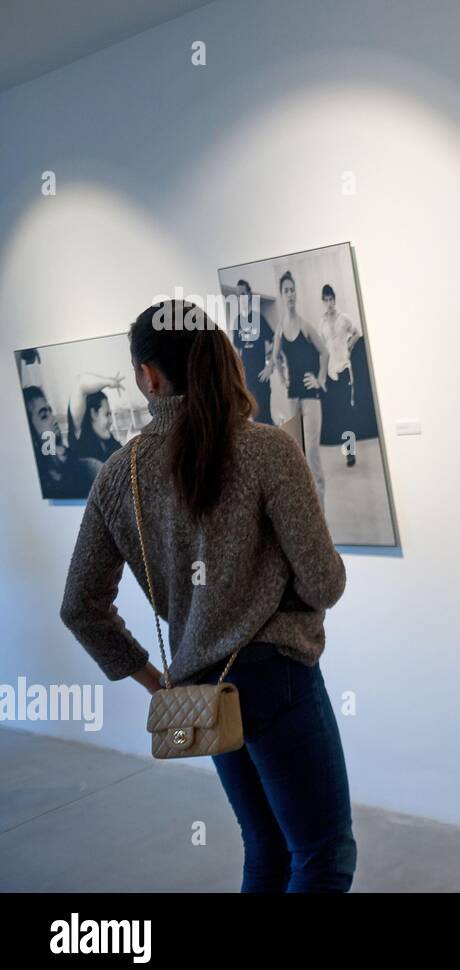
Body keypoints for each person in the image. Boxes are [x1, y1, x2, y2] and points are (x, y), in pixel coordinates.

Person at [59, 300, 356, 892]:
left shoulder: (120, 475)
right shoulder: (266, 451)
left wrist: (153, 678)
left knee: (267, 847)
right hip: (276, 677)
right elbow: (326, 583)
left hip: (202, 686)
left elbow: (80, 606)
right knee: (324, 855)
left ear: (148, 375)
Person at [261, 271, 329, 503]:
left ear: (295, 294)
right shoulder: (280, 329)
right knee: (297, 451)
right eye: (286, 290)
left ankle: (320, 505)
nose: (290, 294)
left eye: (292, 290)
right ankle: (307, 503)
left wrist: (320, 379)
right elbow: (276, 357)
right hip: (293, 397)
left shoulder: (305, 326)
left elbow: (325, 352)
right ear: (281, 295)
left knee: (311, 451)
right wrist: (279, 374)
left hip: (310, 396)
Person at [318, 283, 360, 467]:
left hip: (344, 370)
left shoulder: (344, 318)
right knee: (339, 415)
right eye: (326, 300)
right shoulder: (322, 323)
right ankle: (346, 450)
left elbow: (357, 333)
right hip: (331, 373)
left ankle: (350, 453)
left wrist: (349, 346)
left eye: (331, 299)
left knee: (347, 414)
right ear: (323, 301)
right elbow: (322, 349)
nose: (329, 303)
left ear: (334, 299)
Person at [231, 279, 276, 425]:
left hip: (261, 377)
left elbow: (275, 341)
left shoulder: (259, 319)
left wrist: (270, 366)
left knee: (265, 418)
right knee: (253, 420)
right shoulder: (237, 322)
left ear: (249, 295)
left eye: (243, 294)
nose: (241, 298)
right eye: (238, 295)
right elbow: (237, 351)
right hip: (247, 379)